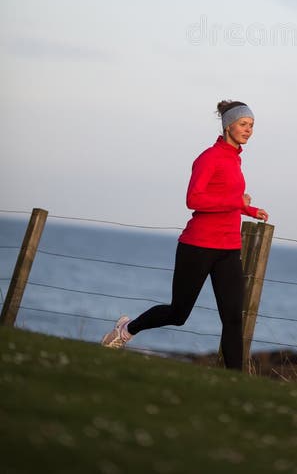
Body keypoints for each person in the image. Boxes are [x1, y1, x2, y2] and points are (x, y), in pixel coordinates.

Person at [100, 100, 268, 369]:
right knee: (178, 314)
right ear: (228, 125)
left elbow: (227, 198)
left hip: (228, 247)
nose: (249, 130)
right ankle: (126, 329)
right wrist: (237, 202)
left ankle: (236, 380)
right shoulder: (209, 157)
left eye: (252, 126)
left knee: (233, 318)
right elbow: (195, 199)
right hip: (198, 245)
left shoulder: (235, 160)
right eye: (243, 124)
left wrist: (248, 209)